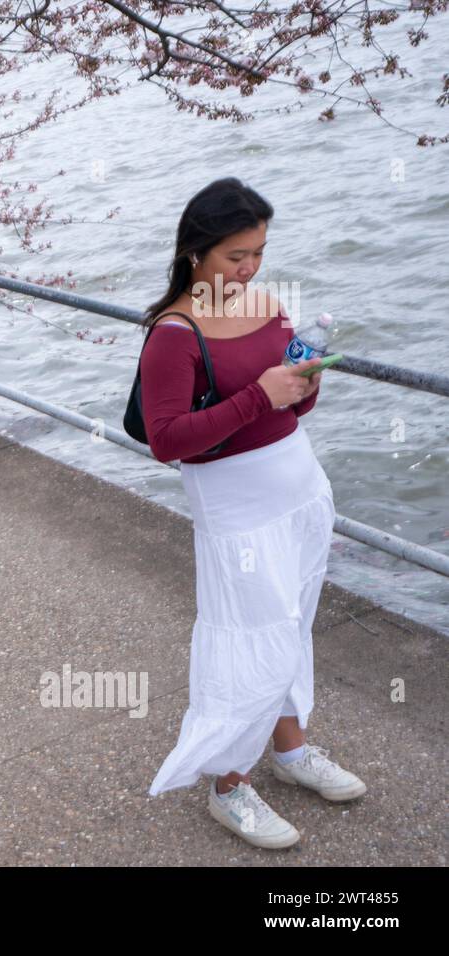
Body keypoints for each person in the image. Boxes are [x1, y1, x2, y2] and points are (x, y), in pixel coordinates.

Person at [141, 177, 365, 849]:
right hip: (236, 508)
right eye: (236, 255)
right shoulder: (172, 334)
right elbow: (167, 440)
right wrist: (259, 398)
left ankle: (291, 749)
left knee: (290, 629)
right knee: (247, 642)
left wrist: (304, 388)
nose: (250, 268)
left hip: (300, 492)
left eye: (259, 252)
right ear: (195, 252)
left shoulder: (268, 308)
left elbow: (288, 407)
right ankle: (227, 783)